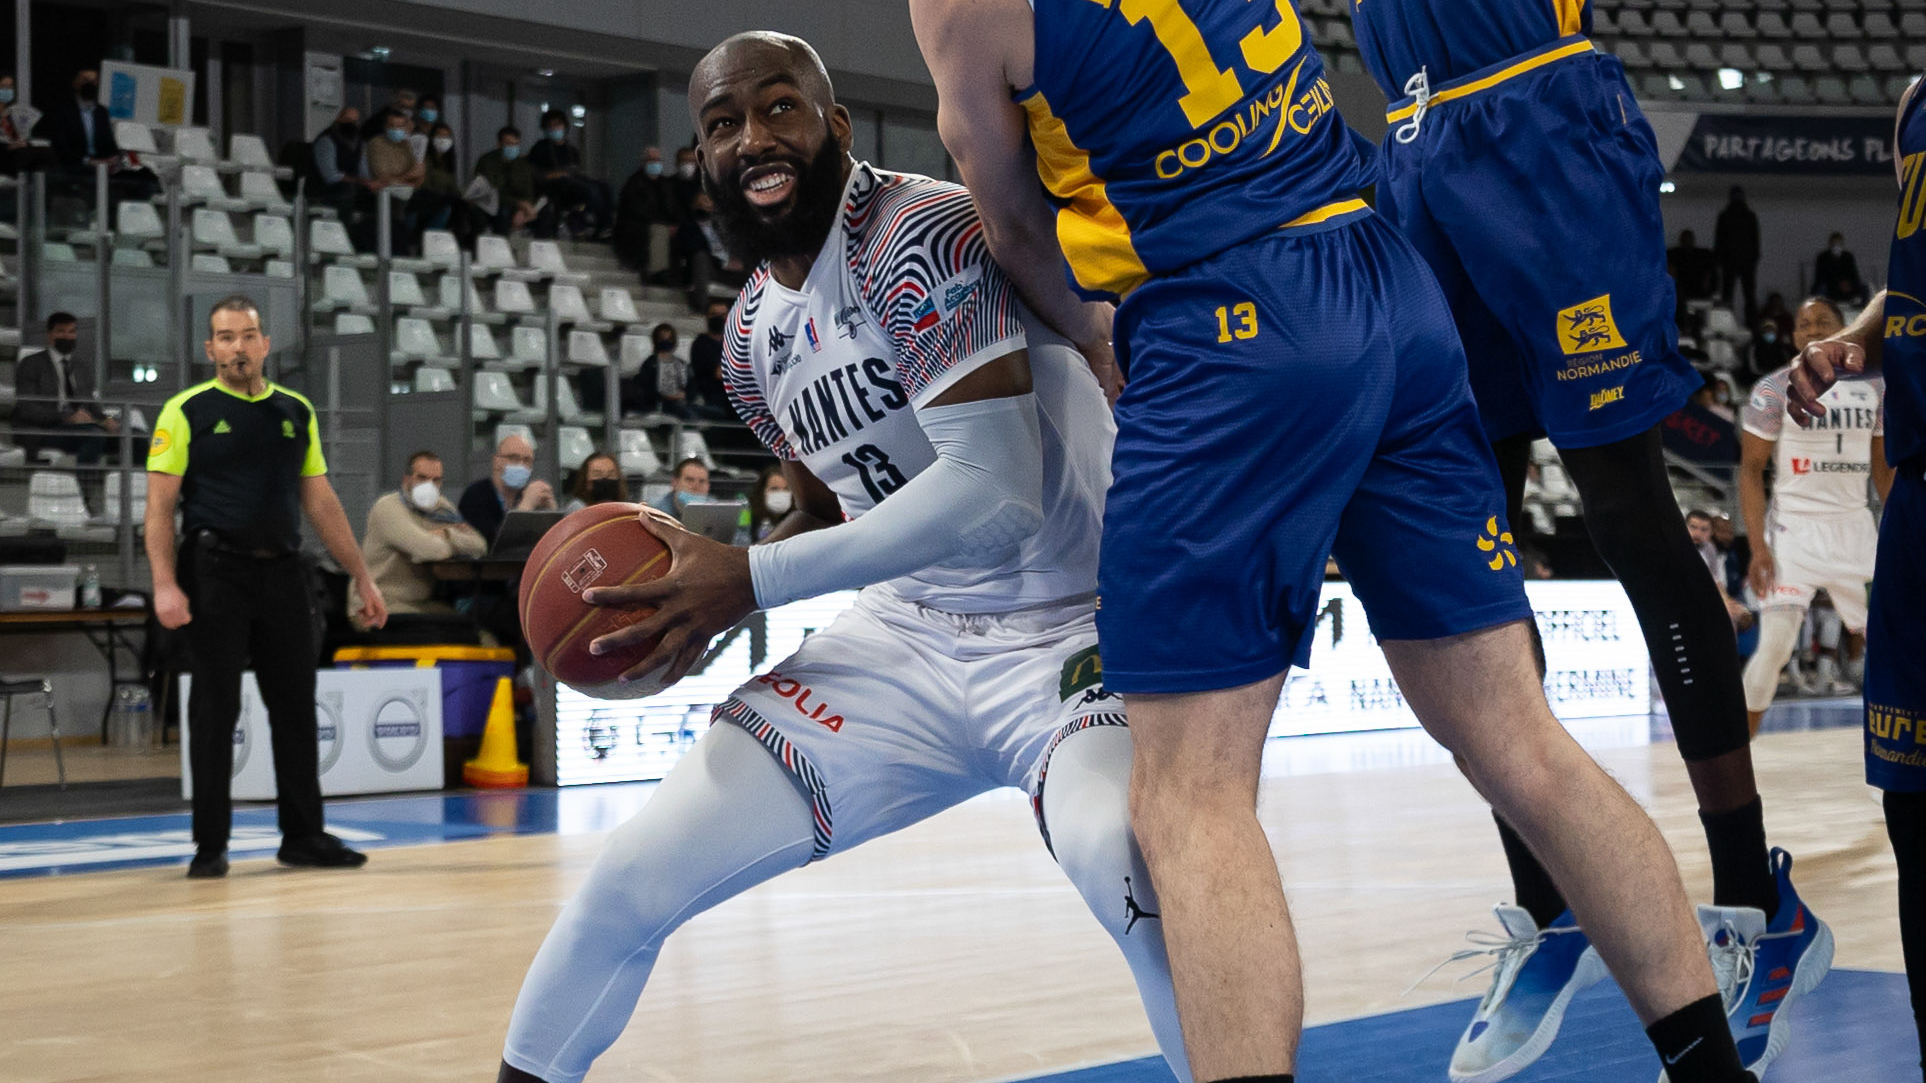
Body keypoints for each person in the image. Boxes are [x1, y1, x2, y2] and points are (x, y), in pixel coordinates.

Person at [910, 5, 1762, 1083]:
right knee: (1518, 738)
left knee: (1189, 793)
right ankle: (1711, 1068)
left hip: (1226, 317)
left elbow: (1011, 223)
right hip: (1385, 278)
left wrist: (1089, 331)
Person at [497, 37, 1175, 1083]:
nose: (754, 139)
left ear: (838, 127)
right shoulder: (747, 344)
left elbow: (996, 498)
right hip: (908, 639)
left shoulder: (920, 232)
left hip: (1077, 623)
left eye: (780, 110)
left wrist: (750, 580)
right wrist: (700, 598)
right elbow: (828, 512)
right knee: (629, 877)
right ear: (700, 157)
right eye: (724, 124)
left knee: (1127, 870)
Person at [1332, 4, 1831, 1077]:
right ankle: (1546, 908)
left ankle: (1754, 898)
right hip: (1415, 133)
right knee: (1460, 538)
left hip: (1535, 108)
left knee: (1630, 520)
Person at [1782, 71, 1926, 1082]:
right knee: (1913, 812)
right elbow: (1909, 277)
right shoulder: (1915, 101)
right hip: (1916, 508)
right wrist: (1857, 335)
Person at [144, 294, 388, 879]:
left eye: (247, 335)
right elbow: (158, 508)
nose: (237, 347)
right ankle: (210, 846)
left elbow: (322, 501)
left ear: (264, 343)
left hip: (283, 572)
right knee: (214, 709)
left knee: (295, 707)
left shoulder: (295, 410)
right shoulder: (186, 411)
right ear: (210, 349)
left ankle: (302, 836)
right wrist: (164, 586)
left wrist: (361, 574)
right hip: (214, 573)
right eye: (225, 338)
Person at [1739, 299, 1890, 732]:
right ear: (1794, 336)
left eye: (1823, 321)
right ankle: (1736, 761)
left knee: (1894, 641)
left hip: (1855, 528)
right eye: (1803, 323)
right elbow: (1750, 472)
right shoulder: (1773, 387)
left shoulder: (1875, 386)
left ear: (1846, 328)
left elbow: (1883, 466)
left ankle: (1904, 749)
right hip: (1794, 531)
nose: (1812, 329)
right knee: (1775, 645)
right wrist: (1757, 547)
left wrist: (1902, 529)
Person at [356, 450, 486, 629]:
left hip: (419, 604)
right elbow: (433, 551)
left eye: (436, 480)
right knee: (453, 632)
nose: (429, 485)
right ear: (406, 480)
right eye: (422, 478)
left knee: (478, 633)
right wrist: (450, 539)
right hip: (378, 605)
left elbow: (479, 545)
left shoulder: (441, 508)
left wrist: (446, 534)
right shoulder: (387, 508)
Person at [34, 67, 160, 217]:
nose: (90, 85)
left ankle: (133, 218)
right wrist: (90, 161)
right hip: (75, 165)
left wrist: (114, 158)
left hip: (102, 164)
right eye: (85, 81)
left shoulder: (101, 112)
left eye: (93, 82)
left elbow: (108, 144)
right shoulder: (62, 111)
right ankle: (102, 217)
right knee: (95, 176)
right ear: (75, 84)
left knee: (145, 174)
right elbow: (62, 148)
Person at [13, 312, 119, 480]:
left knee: (135, 437)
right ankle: (84, 493)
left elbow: (90, 404)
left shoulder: (81, 367)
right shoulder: (31, 364)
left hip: (83, 427)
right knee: (92, 435)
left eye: (71, 331)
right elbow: (27, 408)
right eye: (61, 331)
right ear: (49, 334)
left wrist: (106, 420)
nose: (67, 336)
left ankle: (148, 499)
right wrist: (67, 417)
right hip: (47, 430)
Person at [527, 109, 612, 239]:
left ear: (565, 127)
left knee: (605, 187)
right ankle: (596, 222)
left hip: (573, 184)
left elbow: (575, 171)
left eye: (558, 124)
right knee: (589, 189)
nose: (555, 128)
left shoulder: (572, 151)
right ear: (546, 128)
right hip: (554, 188)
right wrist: (557, 174)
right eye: (551, 125)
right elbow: (536, 175)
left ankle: (604, 226)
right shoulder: (540, 148)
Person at [458, 433, 556, 543]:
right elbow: (491, 546)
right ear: (496, 461)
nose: (521, 465)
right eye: (513, 458)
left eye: (527, 460)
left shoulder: (526, 496)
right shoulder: (475, 496)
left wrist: (551, 513)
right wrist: (525, 508)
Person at [614, 146, 675, 273]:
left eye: (657, 160)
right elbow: (637, 211)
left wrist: (676, 224)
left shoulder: (665, 183)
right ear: (643, 163)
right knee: (659, 231)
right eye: (651, 160)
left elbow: (673, 207)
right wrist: (664, 224)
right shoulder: (634, 184)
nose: (655, 163)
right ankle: (658, 274)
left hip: (663, 225)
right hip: (637, 228)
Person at [310, 106, 373, 225]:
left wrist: (373, 182)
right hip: (325, 193)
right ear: (338, 119)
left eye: (354, 121)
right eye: (347, 120)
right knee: (346, 199)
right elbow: (330, 176)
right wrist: (359, 181)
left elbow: (364, 172)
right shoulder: (326, 140)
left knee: (378, 202)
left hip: (350, 192)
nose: (351, 124)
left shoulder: (359, 142)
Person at [473, 126, 538, 236]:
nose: (512, 147)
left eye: (515, 144)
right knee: (503, 212)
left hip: (516, 206)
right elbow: (489, 191)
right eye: (508, 143)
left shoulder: (522, 164)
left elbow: (528, 191)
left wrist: (523, 209)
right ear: (500, 144)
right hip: (492, 205)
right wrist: (518, 203)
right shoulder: (487, 161)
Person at [1715, 187, 1760, 324]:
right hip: (1731, 260)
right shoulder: (1725, 216)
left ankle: (1751, 324)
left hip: (1743, 261)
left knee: (1748, 296)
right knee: (1728, 294)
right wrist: (1720, 259)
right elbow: (1719, 239)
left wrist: (1753, 258)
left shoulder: (1749, 216)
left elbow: (1755, 240)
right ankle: (1726, 323)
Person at [688, 297, 732, 416]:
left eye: (722, 315)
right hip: (712, 397)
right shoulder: (701, 344)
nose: (718, 318)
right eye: (714, 314)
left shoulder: (733, 342)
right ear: (707, 317)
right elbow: (720, 374)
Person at [560, 451, 627, 513]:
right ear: (586, 481)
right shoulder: (577, 508)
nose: (605, 479)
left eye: (611, 475)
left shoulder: (625, 510)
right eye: (598, 475)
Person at [1813, 232, 1869, 306]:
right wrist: (1837, 283)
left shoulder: (1848, 256)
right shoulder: (1823, 257)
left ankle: (1859, 306)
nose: (1836, 246)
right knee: (1821, 289)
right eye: (1834, 243)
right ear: (1830, 244)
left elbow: (1854, 274)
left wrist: (1848, 284)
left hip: (1847, 285)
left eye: (1839, 243)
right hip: (1830, 286)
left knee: (1864, 288)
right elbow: (1820, 276)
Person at [647, 456, 708, 521]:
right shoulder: (655, 512)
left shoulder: (716, 511)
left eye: (702, 481)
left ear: (708, 486)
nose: (696, 486)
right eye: (689, 480)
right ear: (675, 483)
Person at [1669, 229, 1721, 303]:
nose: (1687, 241)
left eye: (1689, 238)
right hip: (1681, 286)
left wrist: (1707, 278)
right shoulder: (1674, 254)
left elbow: (1712, 265)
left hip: (1698, 285)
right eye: (1685, 239)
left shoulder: (1703, 254)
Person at [745, 463, 790, 541]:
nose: (781, 493)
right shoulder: (749, 514)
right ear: (762, 491)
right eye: (774, 489)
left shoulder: (801, 518)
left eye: (786, 489)